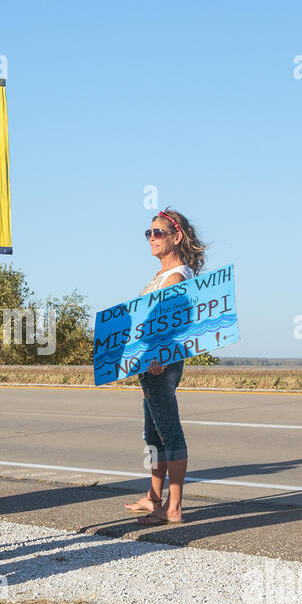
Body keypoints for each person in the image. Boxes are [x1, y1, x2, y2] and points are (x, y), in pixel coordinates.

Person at [124, 208, 207, 526]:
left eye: (159, 233)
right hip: (150, 363)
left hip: (159, 365)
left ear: (177, 237)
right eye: (149, 233)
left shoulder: (175, 278)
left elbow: (173, 326)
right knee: (153, 434)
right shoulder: (165, 276)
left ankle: (173, 508)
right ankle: (154, 498)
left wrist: (158, 357)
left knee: (169, 433)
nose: (152, 238)